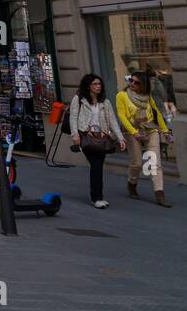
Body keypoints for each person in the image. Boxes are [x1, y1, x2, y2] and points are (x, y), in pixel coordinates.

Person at [116, 70, 173, 207]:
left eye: (137, 82)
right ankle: (132, 183)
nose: (133, 84)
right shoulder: (122, 95)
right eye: (131, 81)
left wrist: (165, 131)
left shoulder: (147, 96)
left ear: (143, 85)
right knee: (137, 163)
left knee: (155, 163)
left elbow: (156, 113)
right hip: (133, 131)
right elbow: (122, 116)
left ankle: (159, 194)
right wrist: (133, 132)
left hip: (150, 129)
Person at [69, 73, 124, 209]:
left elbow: (112, 121)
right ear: (88, 86)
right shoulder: (79, 99)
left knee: (98, 166)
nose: (98, 86)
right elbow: (73, 117)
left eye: (99, 84)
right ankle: (97, 198)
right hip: (86, 137)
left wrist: (120, 138)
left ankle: (98, 196)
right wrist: (75, 135)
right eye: (94, 84)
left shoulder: (105, 102)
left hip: (101, 138)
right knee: (96, 165)